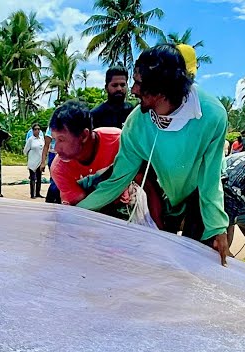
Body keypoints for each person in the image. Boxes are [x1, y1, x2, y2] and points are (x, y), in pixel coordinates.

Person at [76, 44, 230, 265]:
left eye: (139, 84)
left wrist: (217, 227)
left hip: (199, 193)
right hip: (166, 189)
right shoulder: (137, 124)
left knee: (193, 259)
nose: (134, 90)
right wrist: (77, 213)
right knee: (164, 254)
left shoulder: (212, 115)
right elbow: (117, 180)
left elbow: (210, 177)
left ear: (161, 90)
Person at [47, 100, 124, 209]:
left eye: (61, 140)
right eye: (55, 140)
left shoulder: (119, 141)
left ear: (83, 135)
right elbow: (84, 207)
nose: (56, 149)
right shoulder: (59, 169)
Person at [23, 123, 47, 199]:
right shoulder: (30, 140)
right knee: (33, 178)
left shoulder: (41, 139)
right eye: (35, 129)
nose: (37, 131)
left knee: (39, 178)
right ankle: (32, 194)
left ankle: (38, 193)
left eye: (38, 129)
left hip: (40, 161)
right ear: (32, 130)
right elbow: (25, 151)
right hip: (32, 161)